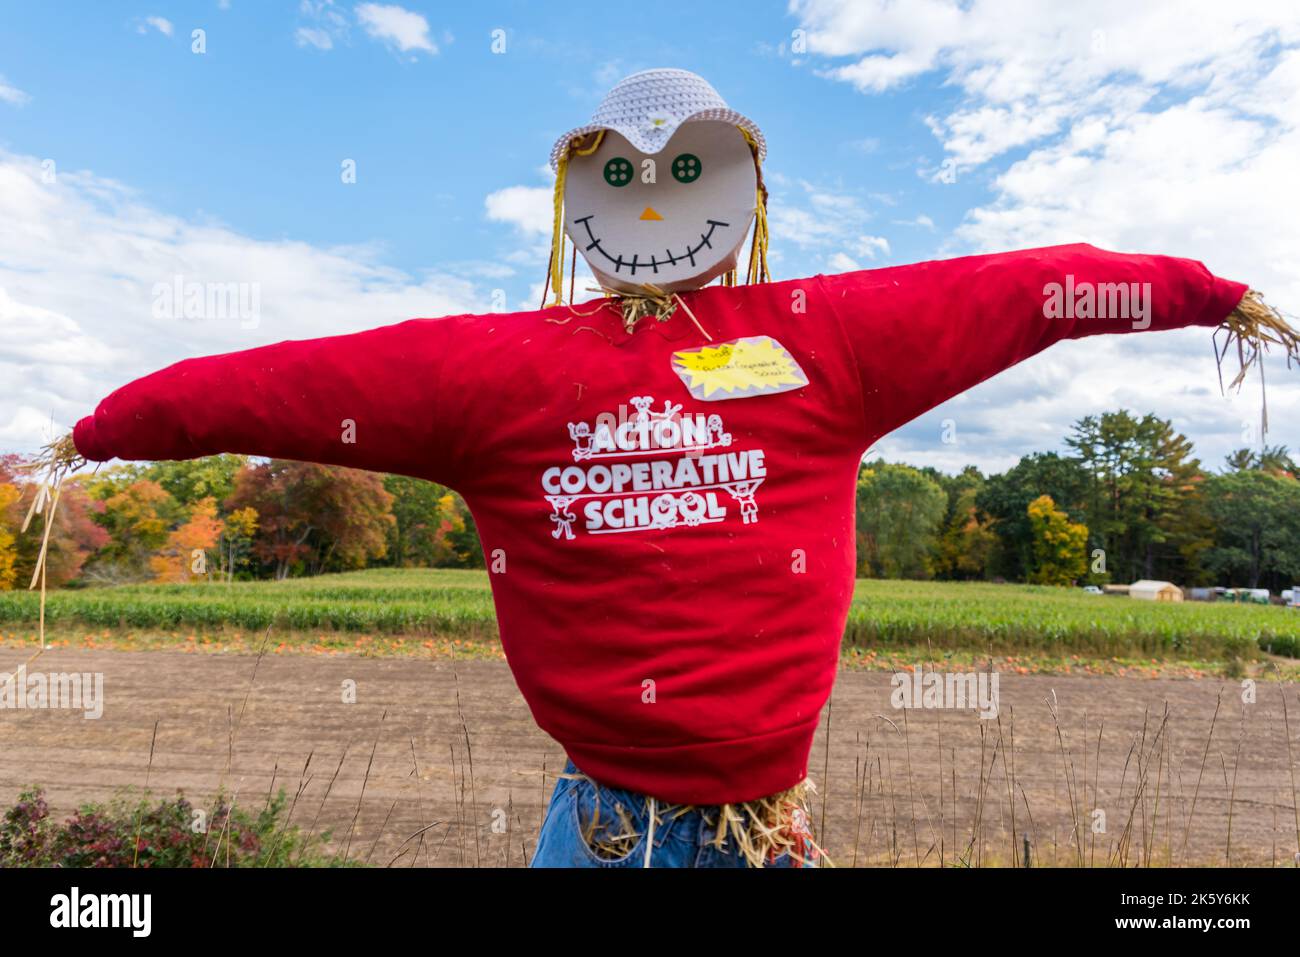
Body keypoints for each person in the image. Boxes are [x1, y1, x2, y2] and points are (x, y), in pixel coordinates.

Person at [66, 69, 1268, 867]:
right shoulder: (505, 369)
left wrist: (1204, 296)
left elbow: (1020, 292)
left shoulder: (816, 341)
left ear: (738, 194)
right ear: (580, 199)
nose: (651, 209)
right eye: (625, 179)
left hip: (746, 828)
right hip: (610, 826)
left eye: (684, 176)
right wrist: (113, 428)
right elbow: (291, 386)